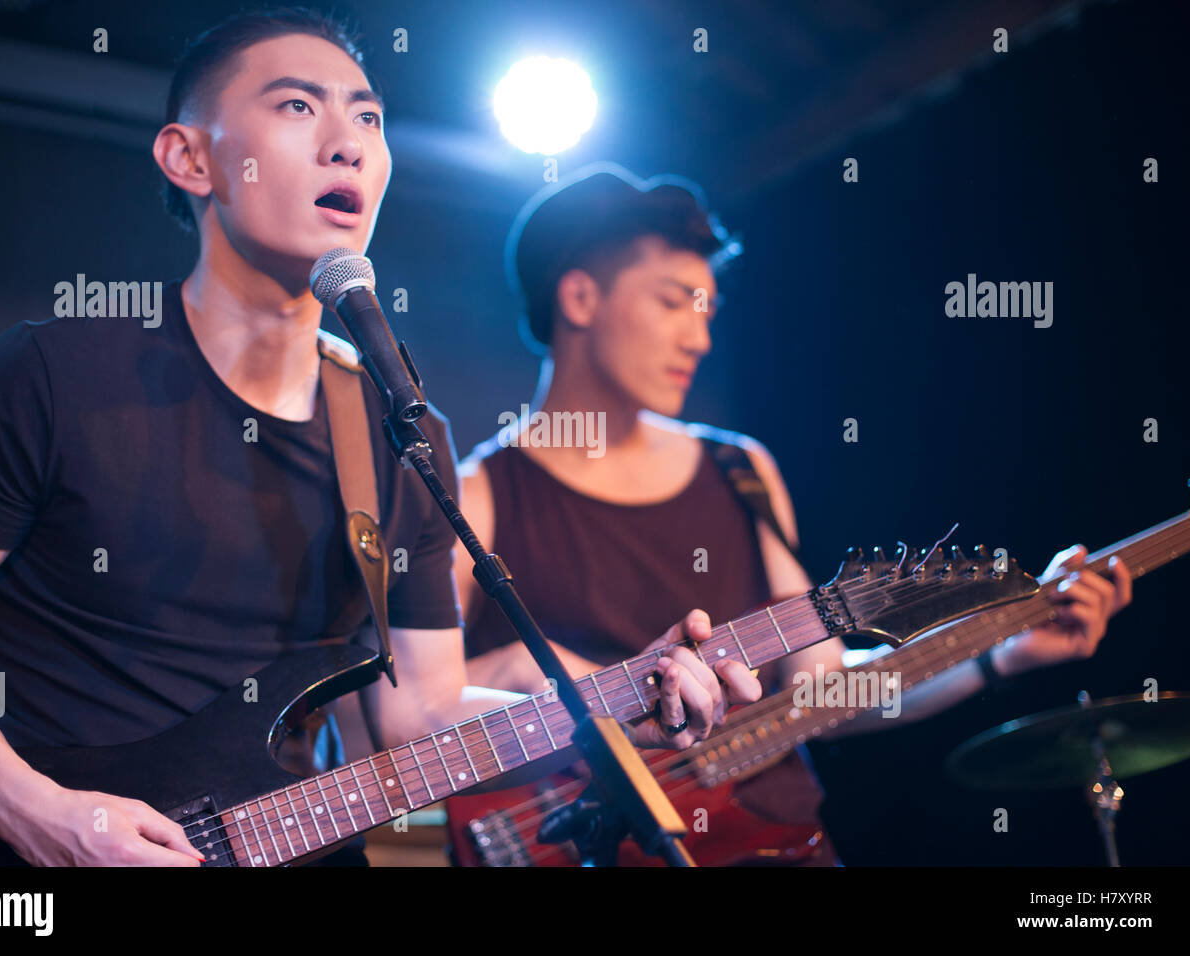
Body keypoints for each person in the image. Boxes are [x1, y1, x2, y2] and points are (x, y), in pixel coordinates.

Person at [0, 11, 757, 867]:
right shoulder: (49, 374)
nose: (348, 143)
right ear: (190, 158)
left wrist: (607, 711)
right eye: (298, 107)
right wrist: (27, 807)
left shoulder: (395, 434)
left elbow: (416, 713)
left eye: (370, 117)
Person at [456, 163, 1133, 865]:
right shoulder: (477, 495)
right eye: (670, 302)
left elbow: (823, 693)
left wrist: (998, 654)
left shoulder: (741, 471)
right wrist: (523, 677)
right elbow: (406, 722)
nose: (699, 339)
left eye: (707, 311)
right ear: (579, 296)